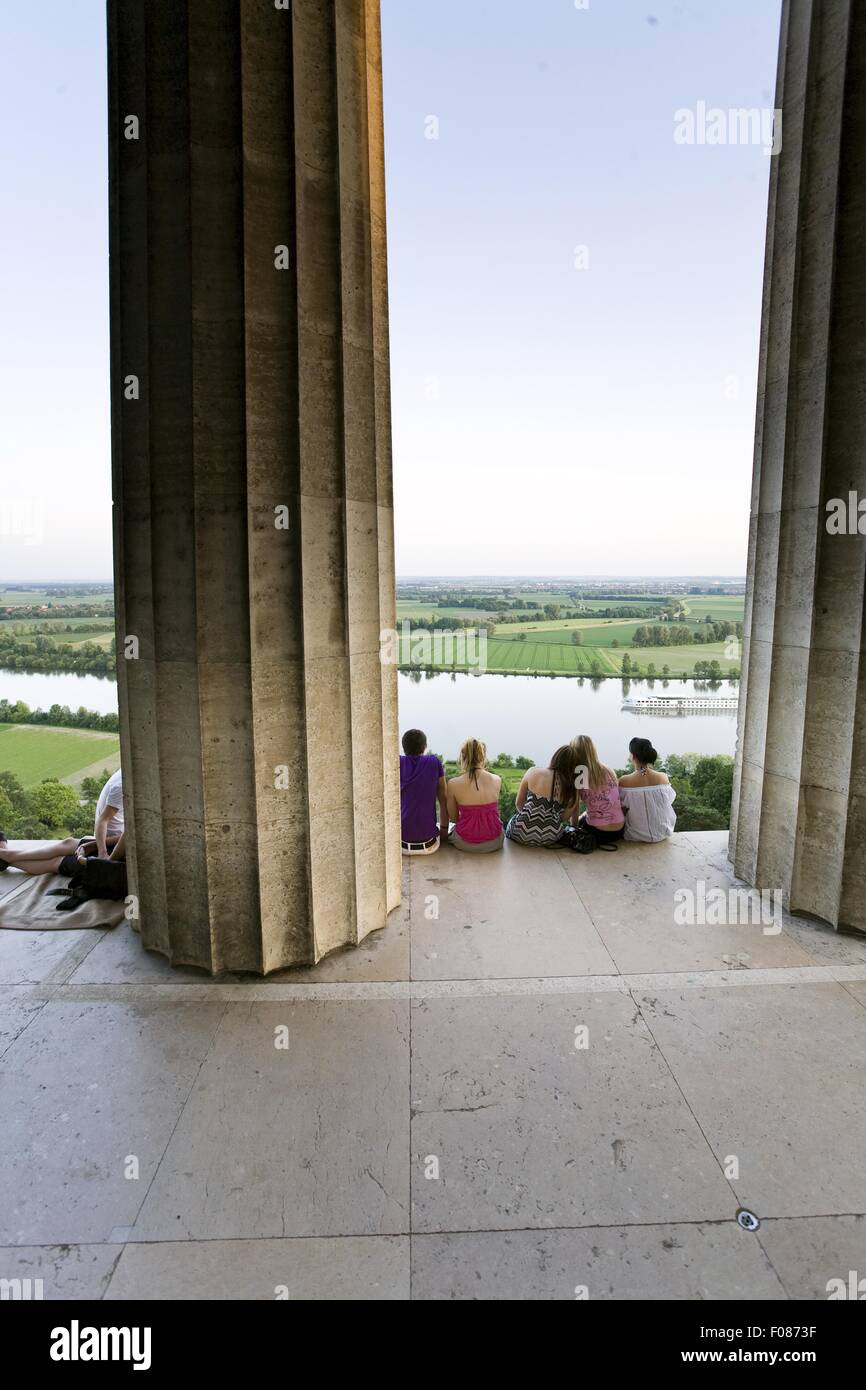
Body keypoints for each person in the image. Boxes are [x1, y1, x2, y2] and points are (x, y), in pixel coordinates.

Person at [0, 768, 126, 876]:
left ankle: (7, 858)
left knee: (57, 863)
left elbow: (126, 838)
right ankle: (7, 855)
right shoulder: (122, 785)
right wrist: (101, 851)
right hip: (113, 839)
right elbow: (106, 823)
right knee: (68, 843)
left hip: (121, 851)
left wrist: (105, 860)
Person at [506, 745, 577, 846]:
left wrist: (530, 819)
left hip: (520, 832)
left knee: (512, 821)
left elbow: (518, 803)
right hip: (551, 837)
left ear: (555, 757)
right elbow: (564, 818)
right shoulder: (571, 787)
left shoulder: (532, 771)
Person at [446, 738, 503, 852]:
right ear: (483, 756)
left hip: (465, 843)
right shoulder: (497, 779)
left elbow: (453, 818)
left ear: (463, 756)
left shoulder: (453, 783)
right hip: (495, 842)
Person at [569, 733, 625, 849]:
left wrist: (574, 829)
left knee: (581, 818)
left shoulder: (580, 773)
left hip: (597, 832)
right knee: (586, 814)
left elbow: (575, 808)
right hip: (619, 830)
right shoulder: (608, 770)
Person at [618, 737, 677, 841]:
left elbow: (620, 807)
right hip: (663, 832)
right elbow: (668, 801)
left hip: (635, 835)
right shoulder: (663, 777)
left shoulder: (624, 781)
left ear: (633, 755)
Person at [400, 729, 448, 854]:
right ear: (425, 747)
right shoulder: (434, 762)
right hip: (429, 845)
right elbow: (444, 800)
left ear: (404, 747)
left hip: (401, 844)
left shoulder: (398, 762)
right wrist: (444, 830)